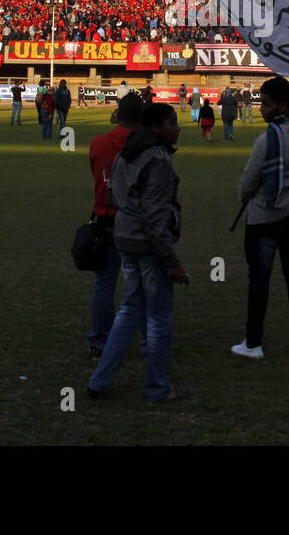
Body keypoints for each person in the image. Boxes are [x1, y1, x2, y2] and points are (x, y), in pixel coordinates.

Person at [88, 102, 188, 403]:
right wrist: (172, 261)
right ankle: (157, 388)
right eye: (172, 123)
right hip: (148, 246)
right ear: (156, 127)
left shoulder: (126, 152)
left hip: (124, 237)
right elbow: (156, 218)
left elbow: (114, 195)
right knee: (158, 317)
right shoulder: (157, 159)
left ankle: (100, 380)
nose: (178, 128)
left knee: (130, 310)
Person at [232, 75, 289, 360]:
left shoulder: (266, 140)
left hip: (264, 217)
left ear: (284, 106)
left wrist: (243, 199)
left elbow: (248, 181)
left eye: (267, 104)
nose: (261, 108)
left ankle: (253, 343)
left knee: (259, 279)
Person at [86, 92, 148, 359]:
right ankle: (149, 342)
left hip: (105, 218)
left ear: (118, 115)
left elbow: (95, 175)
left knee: (105, 285)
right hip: (136, 221)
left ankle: (100, 343)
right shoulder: (148, 145)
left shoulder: (98, 143)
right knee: (144, 284)